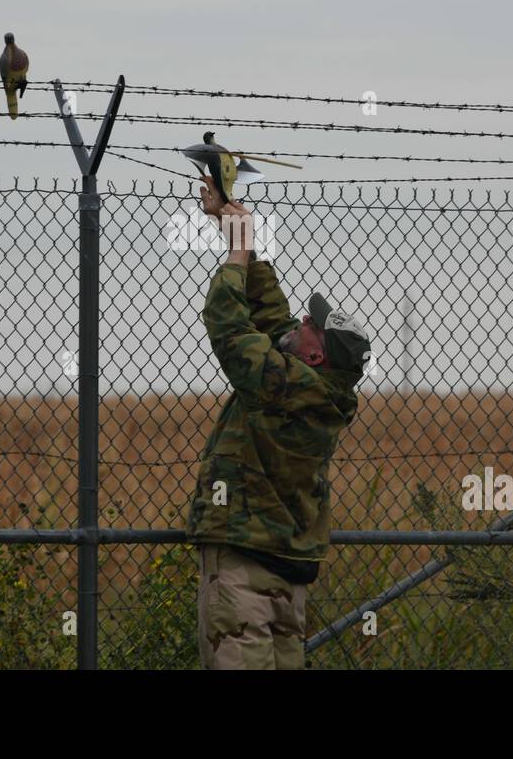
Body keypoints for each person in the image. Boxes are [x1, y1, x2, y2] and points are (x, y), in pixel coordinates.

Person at [187, 175, 371, 669]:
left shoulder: (282, 383)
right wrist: (241, 236)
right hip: (288, 579)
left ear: (315, 355)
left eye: (309, 326)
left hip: (244, 572)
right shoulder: (318, 390)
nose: (299, 323)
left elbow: (228, 326)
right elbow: (274, 323)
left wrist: (237, 257)